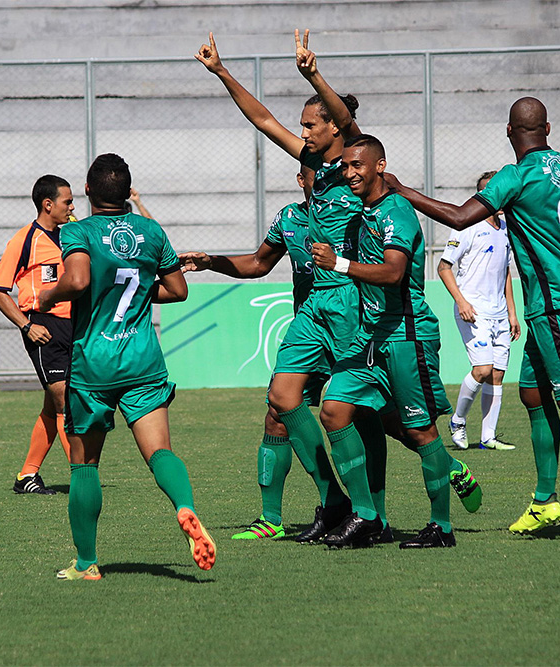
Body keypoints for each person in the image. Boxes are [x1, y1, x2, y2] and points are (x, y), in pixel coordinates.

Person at [387, 96, 560, 542]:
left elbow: (458, 217)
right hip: (553, 303)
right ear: (547, 129)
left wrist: (402, 191)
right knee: (532, 393)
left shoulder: (515, 176)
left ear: (510, 132)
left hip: (558, 304)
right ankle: (545, 502)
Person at [195, 30, 384, 543]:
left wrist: (313, 75)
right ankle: (326, 502)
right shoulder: (309, 184)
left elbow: (347, 122)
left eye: (310, 124)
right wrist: (222, 72)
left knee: (383, 423)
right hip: (313, 310)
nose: (302, 133)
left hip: (350, 304)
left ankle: (390, 500)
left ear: (331, 129)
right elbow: (261, 120)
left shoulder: (352, 168)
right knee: (279, 401)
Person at [37, 153, 216, 580]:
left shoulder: (77, 230)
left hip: (94, 365)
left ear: (87, 191)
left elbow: (78, 281)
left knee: (84, 466)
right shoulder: (150, 231)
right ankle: (185, 507)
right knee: (160, 453)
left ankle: (86, 564)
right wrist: (135, 294)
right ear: (127, 190)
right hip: (142, 361)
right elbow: (177, 290)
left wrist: (47, 297)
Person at [312, 134, 480, 549]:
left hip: (407, 336)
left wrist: (340, 263)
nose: (350, 173)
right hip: (371, 338)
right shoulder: (360, 211)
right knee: (334, 411)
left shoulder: (397, 212)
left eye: (358, 166)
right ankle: (368, 516)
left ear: (380, 166)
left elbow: (392, 273)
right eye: (346, 166)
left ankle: (441, 527)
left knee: (421, 432)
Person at [0, 174, 75, 495]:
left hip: (73, 327)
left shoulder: (70, 237)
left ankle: (27, 476)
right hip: (43, 327)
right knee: (66, 399)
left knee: (53, 407)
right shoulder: (24, 240)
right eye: (67, 202)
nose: (71, 207)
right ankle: (82, 477)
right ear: (48, 204)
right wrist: (26, 325)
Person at [440, 170, 520, 451]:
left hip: (499, 312)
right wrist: (461, 302)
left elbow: (506, 272)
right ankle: (458, 420)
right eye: (491, 191)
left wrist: (512, 313)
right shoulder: (467, 226)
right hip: (473, 310)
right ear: (481, 196)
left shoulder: (506, 227)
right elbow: (444, 267)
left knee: (497, 374)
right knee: (483, 369)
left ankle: (488, 436)